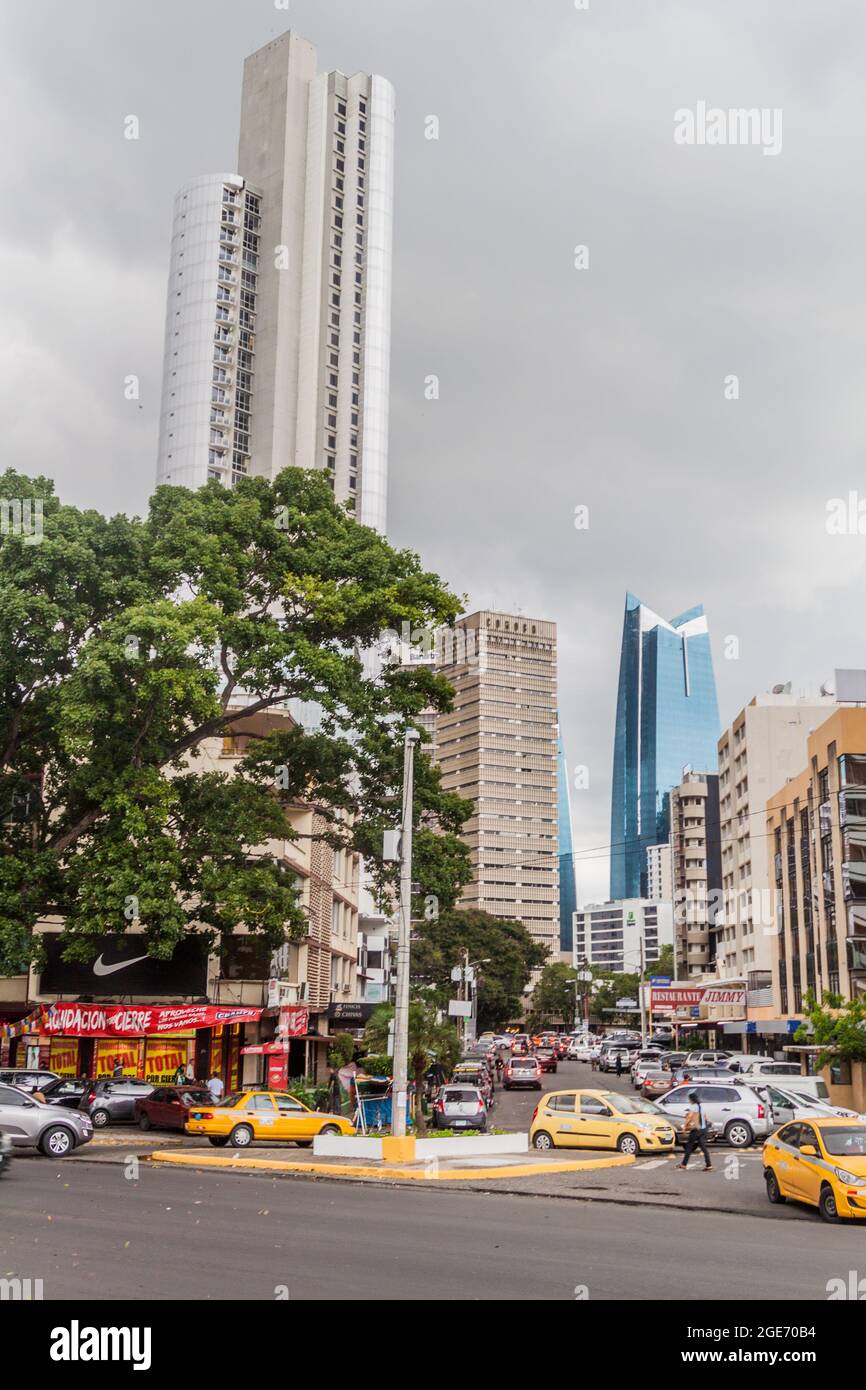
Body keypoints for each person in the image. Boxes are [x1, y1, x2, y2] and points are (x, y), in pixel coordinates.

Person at [678, 1091, 713, 1171]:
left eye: (689, 1099)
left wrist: (685, 1126)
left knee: (689, 1146)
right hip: (703, 1129)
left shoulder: (693, 1106)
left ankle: (683, 1164)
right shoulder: (701, 1107)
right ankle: (709, 1164)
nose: (688, 1101)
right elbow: (706, 1118)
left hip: (696, 1129)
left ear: (691, 1099)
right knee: (703, 1147)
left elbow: (690, 1117)